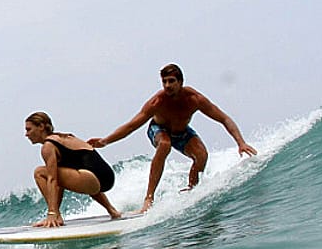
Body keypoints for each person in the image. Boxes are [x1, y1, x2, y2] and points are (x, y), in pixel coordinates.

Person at [88, 64, 257, 212]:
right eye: (164, 82)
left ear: (180, 82)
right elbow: (131, 126)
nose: (167, 85)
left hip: (181, 132)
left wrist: (241, 143)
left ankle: (192, 189)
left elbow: (224, 118)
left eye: (171, 81)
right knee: (165, 144)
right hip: (158, 130)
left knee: (202, 156)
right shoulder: (157, 102)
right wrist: (105, 141)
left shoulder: (195, 99)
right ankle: (149, 198)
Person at [25, 112, 122, 228]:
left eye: (29, 129)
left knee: (40, 172)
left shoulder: (48, 146)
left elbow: (52, 180)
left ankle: (55, 216)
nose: (26, 134)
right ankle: (112, 210)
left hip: (92, 179)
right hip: (106, 178)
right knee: (65, 173)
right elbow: (61, 182)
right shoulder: (64, 137)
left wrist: (52, 213)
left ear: (41, 126)